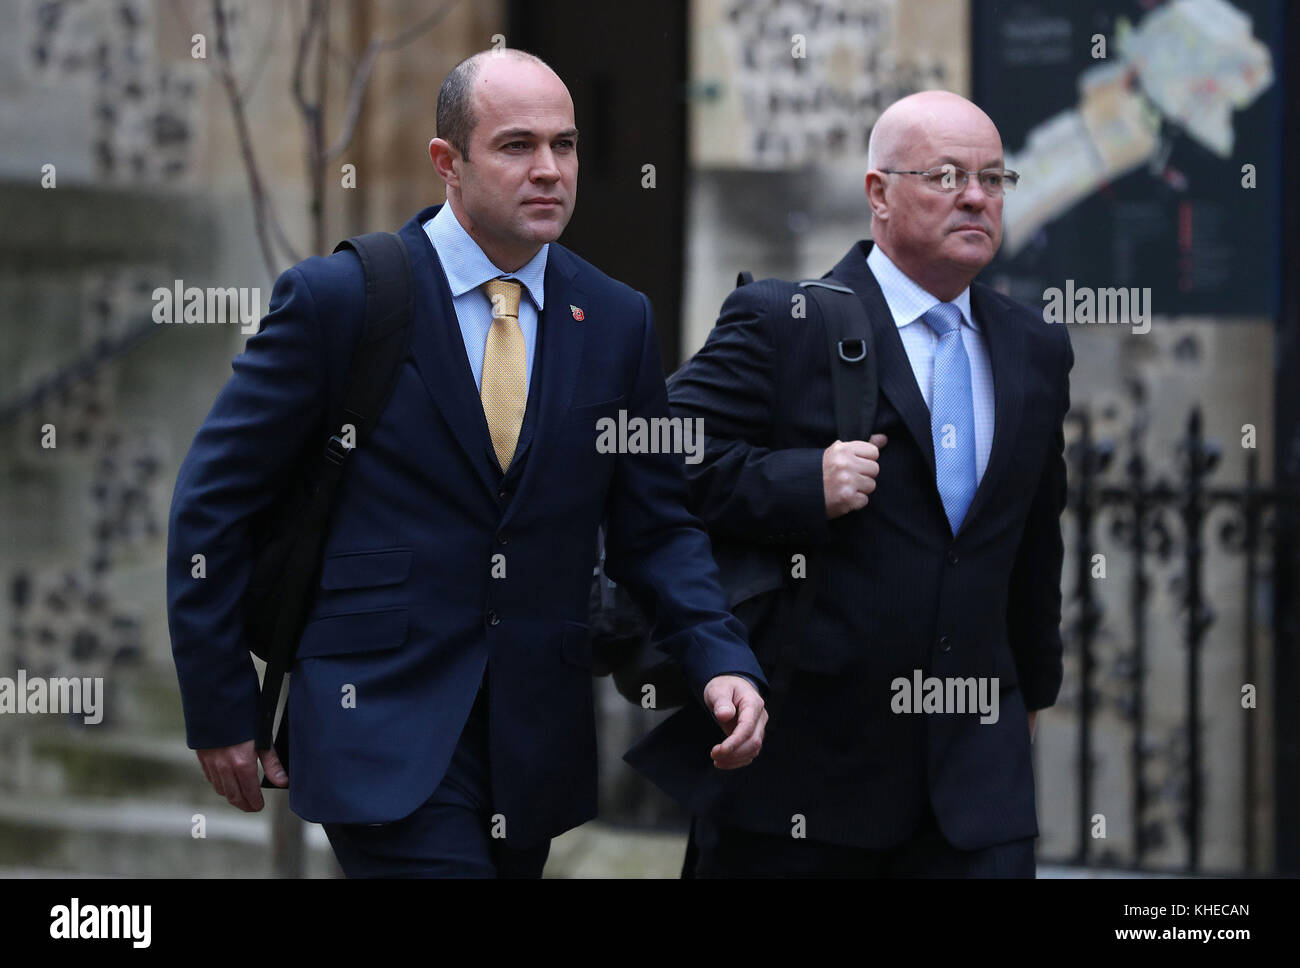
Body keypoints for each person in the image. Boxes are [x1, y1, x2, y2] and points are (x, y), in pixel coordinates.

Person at [166, 49, 767, 878]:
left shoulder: (618, 320)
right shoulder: (340, 300)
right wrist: (220, 702)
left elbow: (656, 526)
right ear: (448, 163)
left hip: (533, 739)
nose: (550, 170)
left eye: (566, 145)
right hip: (374, 719)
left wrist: (720, 656)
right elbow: (213, 504)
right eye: (518, 146)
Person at [626, 90, 1073, 877]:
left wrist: (1031, 692)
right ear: (878, 193)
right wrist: (801, 482)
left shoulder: (1033, 346)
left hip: (975, 794)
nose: (975, 195)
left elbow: (1035, 539)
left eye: (993, 179)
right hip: (801, 786)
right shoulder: (781, 321)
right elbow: (652, 457)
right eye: (944, 175)